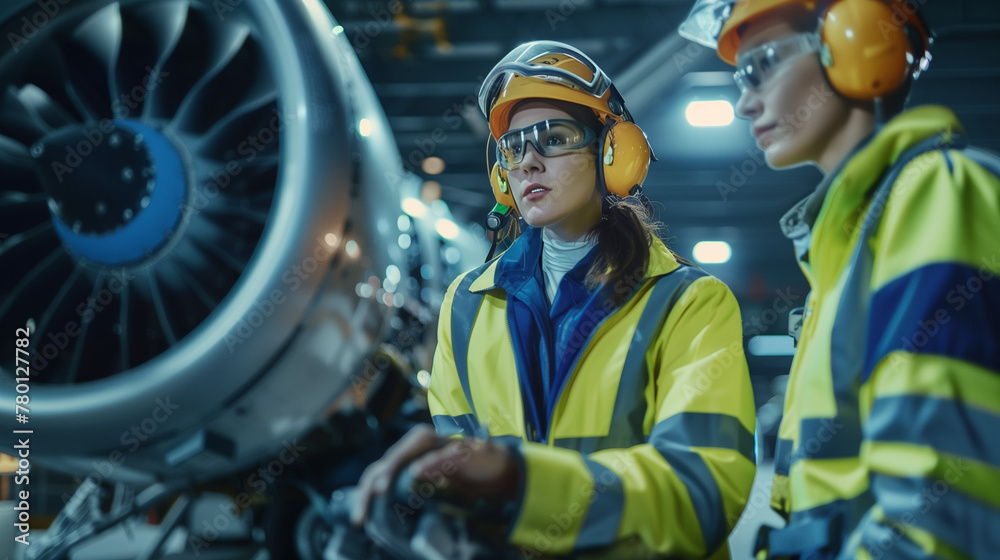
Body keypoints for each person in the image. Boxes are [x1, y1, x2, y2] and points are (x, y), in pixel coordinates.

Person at [350, 40, 757, 559]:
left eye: (554, 139)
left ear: (612, 152)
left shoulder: (688, 303)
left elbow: (703, 495)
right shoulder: (468, 306)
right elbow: (460, 486)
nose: (528, 162)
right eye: (513, 148)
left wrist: (521, 480)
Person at [679, 1, 1000, 559]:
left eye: (761, 66)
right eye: (738, 79)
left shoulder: (932, 195)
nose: (744, 102)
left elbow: (938, 516)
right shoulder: (842, 250)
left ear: (855, 43)